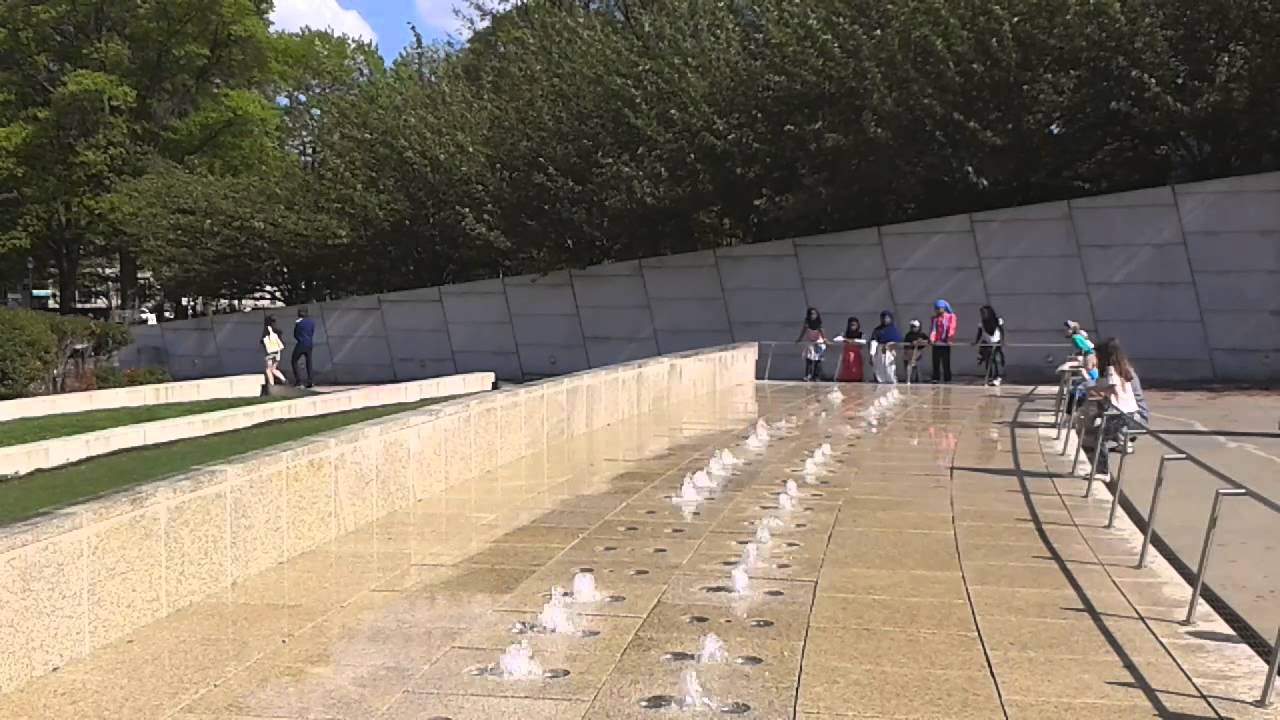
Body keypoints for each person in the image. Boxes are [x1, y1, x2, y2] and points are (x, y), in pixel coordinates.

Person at [1087, 338, 1141, 478]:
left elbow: (1109, 385)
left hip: (1119, 412)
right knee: (1102, 428)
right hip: (1129, 412)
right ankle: (1124, 443)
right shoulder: (1122, 367)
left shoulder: (1110, 369)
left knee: (1099, 437)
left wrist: (1090, 385)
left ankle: (1102, 471)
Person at [975, 305, 1005, 386]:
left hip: (996, 343)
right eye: (981, 313)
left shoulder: (998, 320)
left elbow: (1002, 332)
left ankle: (997, 377)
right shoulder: (981, 323)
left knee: (995, 360)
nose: (983, 315)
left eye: (984, 313)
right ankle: (989, 377)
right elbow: (979, 334)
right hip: (987, 343)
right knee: (988, 361)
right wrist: (976, 342)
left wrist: (1002, 341)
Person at [869, 310, 902, 384]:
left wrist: (891, 344)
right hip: (880, 351)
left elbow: (898, 340)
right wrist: (872, 354)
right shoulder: (877, 330)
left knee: (890, 368)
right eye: (884, 318)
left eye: (887, 318)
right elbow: (873, 341)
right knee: (880, 369)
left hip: (890, 351)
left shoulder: (893, 330)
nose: (885, 320)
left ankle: (892, 383)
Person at [929, 300, 957, 383]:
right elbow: (933, 329)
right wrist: (932, 339)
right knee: (935, 362)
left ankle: (947, 378)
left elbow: (952, 328)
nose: (936, 310)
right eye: (935, 308)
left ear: (943, 308)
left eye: (938, 308)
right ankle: (935, 378)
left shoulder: (951, 317)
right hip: (936, 344)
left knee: (946, 362)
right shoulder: (934, 319)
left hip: (945, 344)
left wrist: (949, 338)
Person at [795, 307, 827, 381]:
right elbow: (803, 331)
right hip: (810, 342)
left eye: (814, 314)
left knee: (817, 360)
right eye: (811, 314)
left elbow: (822, 333)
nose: (813, 315)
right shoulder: (807, 323)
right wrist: (799, 339)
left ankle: (816, 376)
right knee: (809, 359)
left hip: (819, 342)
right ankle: (808, 375)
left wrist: (825, 340)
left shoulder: (819, 323)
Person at [831, 317, 865, 382]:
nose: (853, 327)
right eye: (851, 325)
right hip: (847, 353)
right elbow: (836, 339)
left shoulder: (861, 334)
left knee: (856, 368)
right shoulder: (844, 333)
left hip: (856, 354)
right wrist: (845, 339)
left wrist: (853, 341)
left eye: (854, 325)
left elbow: (863, 342)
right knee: (846, 367)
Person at [292, 308, 316, 388]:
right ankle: (310, 381)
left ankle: (298, 381)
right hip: (309, 343)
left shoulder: (298, 322)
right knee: (309, 362)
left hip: (301, 343)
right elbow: (312, 332)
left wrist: (300, 338)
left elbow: (295, 334)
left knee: (294, 361)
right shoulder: (311, 322)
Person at [261, 315, 288, 387]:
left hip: (270, 353)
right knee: (274, 368)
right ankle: (284, 379)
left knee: (268, 369)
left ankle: (271, 385)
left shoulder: (267, 330)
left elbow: (263, 340)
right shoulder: (277, 330)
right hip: (277, 352)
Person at [903, 319, 929, 383]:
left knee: (918, 369)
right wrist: (913, 342)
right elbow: (907, 343)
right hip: (910, 353)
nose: (913, 328)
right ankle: (908, 380)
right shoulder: (908, 335)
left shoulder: (922, 334)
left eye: (915, 327)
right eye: (912, 326)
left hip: (919, 353)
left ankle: (919, 381)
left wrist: (921, 342)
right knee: (909, 365)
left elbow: (928, 341)